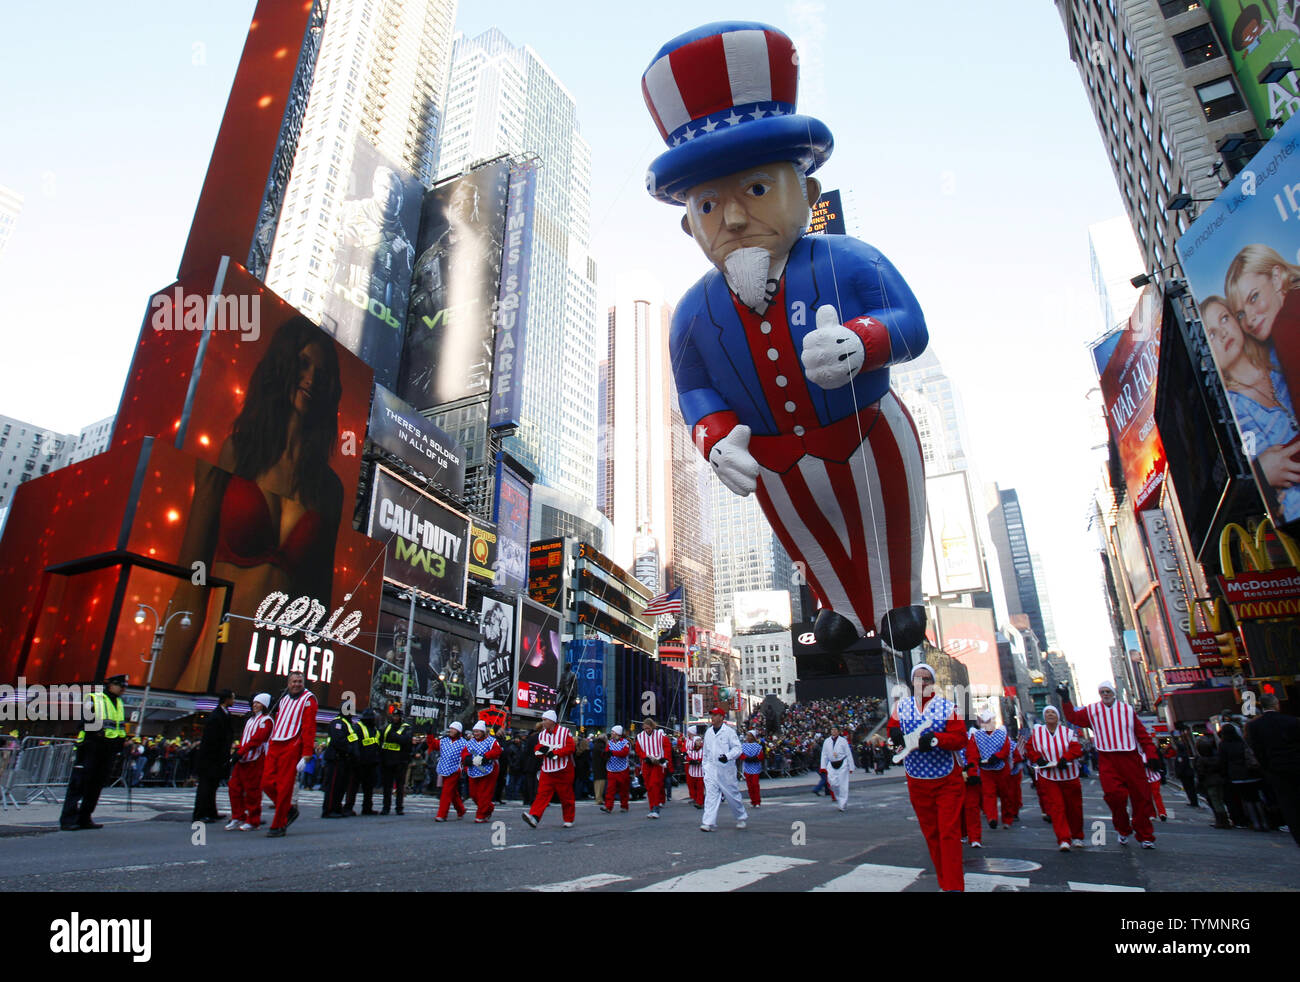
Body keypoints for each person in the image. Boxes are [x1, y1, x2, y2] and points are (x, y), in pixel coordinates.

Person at [645, 21, 929, 658]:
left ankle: (899, 599)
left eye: (755, 188)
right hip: (775, 459)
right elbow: (694, 389)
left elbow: (909, 323)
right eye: (710, 205)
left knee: (886, 515)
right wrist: (716, 440)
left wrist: (863, 340)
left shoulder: (847, 259)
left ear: (807, 191)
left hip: (866, 427)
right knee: (805, 532)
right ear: (690, 227)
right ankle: (841, 607)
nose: (736, 218)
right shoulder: (692, 313)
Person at [1201, 294, 1300, 519]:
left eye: (1224, 319)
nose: (1223, 332)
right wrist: (1262, 474)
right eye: (1212, 334)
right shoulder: (1231, 410)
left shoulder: (1277, 354)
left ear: (1237, 320)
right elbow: (1256, 465)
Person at [887, 663, 968, 892]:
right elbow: (893, 731)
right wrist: (894, 734)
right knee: (932, 835)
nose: (921, 683)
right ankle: (945, 882)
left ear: (933, 683)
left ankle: (954, 886)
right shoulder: (900, 707)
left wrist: (936, 739)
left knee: (949, 833)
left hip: (947, 780)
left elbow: (960, 738)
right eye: (917, 679)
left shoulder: (947, 707)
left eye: (926, 679)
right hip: (917, 779)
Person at [1059, 680, 1158, 848]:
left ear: (1114, 693)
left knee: (1141, 798)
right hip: (1107, 758)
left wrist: (1152, 756)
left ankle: (1145, 835)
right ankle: (1123, 828)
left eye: (1108, 691)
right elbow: (1073, 717)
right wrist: (1066, 699)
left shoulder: (1127, 710)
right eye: (1102, 692)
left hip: (1130, 757)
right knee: (1114, 796)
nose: (1105, 694)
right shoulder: (1093, 710)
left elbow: (1142, 735)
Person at [61, 673, 128, 831]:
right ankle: (68, 819)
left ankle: (85, 817)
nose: (123, 689)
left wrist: (120, 744)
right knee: (79, 784)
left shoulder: (119, 702)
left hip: (108, 750)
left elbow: (118, 727)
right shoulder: (94, 698)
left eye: (124, 687)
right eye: (121, 686)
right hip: (90, 747)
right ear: (110, 684)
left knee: (96, 785)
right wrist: (100, 736)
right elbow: (86, 723)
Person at [262, 671, 317, 838]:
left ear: (303, 683)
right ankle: (289, 810)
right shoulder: (283, 699)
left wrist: (306, 753)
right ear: (288, 683)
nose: (296, 684)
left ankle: (278, 824)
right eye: (294, 681)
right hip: (276, 743)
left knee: (285, 787)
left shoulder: (309, 699)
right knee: (266, 782)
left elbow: (309, 728)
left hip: (291, 745)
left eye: (300, 681)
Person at [1025, 704, 1084, 851]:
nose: (1050, 714)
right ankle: (1063, 839)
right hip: (1048, 775)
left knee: (1074, 807)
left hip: (1068, 774)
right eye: (1047, 713)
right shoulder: (1037, 734)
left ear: (1058, 716)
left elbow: (1076, 749)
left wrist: (1066, 758)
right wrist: (1038, 759)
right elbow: (1030, 749)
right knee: (1057, 807)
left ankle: (1077, 835)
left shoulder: (1068, 733)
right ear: (1044, 717)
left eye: (1053, 712)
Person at [1245, 693, 1300, 846]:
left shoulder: (1254, 726)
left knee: (1288, 803)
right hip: (1296, 765)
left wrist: (1267, 767)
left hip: (1275, 769)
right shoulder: (1292, 721)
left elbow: (1257, 750)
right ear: (1276, 704)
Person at [227, 692, 273, 831]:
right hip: (243, 758)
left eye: (258, 703)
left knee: (252, 791)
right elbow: (246, 739)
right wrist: (238, 752)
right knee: (234, 788)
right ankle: (237, 816)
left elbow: (258, 739)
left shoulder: (267, 721)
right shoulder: (250, 720)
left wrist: (240, 752)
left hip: (255, 759)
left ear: (264, 705)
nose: (255, 705)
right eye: (254, 702)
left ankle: (253, 820)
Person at [523, 710, 576, 828]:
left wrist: (556, 753)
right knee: (542, 794)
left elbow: (571, 747)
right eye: (542, 720)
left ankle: (568, 818)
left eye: (545, 720)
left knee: (566, 795)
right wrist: (543, 751)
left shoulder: (565, 732)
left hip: (563, 769)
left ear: (552, 721)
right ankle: (534, 817)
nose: (543, 722)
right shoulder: (542, 734)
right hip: (547, 768)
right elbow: (538, 746)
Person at [700, 707, 748, 832]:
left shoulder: (729, 732)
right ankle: (708, 822)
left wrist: (727, 757)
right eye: (712, 715)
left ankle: (741, 817)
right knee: (711, 795)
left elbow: (737, 749)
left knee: (732, 795)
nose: (713, 718)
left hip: (726, 769)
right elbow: (705, 751)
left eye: (715, 715)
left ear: (721, 717)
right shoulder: (709, 732)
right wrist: (705, 766)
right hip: (711, 768)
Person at [192, 688, 236, 823]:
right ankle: (200, 814)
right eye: (232, 698)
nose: (234, 701)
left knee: (213, 786)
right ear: (227, 699)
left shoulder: (224, 714)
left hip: (217, 759)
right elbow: (211, 740)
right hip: (210, 758)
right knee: (205, 787)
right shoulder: (216, 716)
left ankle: (211, 812)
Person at [1218, 722, 1267, 831]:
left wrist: (1225, 775)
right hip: (1252, 774)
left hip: (1237, 776)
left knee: (1245, 799)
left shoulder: (1224, 745)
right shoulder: (1242, 742)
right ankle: (1263, 821)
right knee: (1256, 798)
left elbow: (1223, 762)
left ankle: (1254, 822)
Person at [971, 709, 1013, 829]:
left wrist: (997, 756)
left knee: (1006, 795)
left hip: (1001, 769)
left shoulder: (1002, 734)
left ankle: (1007, 818)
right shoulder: (977, 735)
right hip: (986, 770)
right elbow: (973, 750)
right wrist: (977, 759)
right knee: (988, 794)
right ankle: (992, 817)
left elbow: (1006, 749)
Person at [320, 705, 359, 818]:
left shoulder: (348, 724)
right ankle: (328, 810)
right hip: (336, 758)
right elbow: (339, 741)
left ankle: (336, 807)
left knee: (340, 786)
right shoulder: (338, 722)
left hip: (344, 759)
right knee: (333, 785)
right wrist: (350, 749)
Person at [463, 720, 503, 823]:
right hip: (474, 769)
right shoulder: (470, 742)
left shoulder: (491, 741)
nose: (476, 734)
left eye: (478, 731)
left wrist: (485, 757)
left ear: (483, 732)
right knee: (474, 794)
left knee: (484, 793)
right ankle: (488, 808)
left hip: (488, 770)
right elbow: (465, 753)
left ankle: (481, 814)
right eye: (474, 731)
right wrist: (467, 759)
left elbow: (497, 751)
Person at [344, 707, 381, 816]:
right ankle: (348, 807)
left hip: (370, 763)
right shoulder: (357, 728)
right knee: (353, 786)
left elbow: (377, 745)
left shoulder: (374, 730)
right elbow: (354, 744)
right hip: (358, 763)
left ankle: (367, 808)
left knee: (368, 787)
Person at [430, 721, 469, 822]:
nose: (451, 730)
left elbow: (467, 755)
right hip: (443, 768)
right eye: (450, 728)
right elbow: (434, 745)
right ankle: (461, 810)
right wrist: (429, 735)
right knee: (453, 792)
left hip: (454, 770)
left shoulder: (464, 743)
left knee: (446, 792)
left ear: (458, 731)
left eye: (453, 729)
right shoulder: (444, 741)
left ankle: (442, 814)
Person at [635, 717, 672, 818]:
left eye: (649, 728)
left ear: (652, 726)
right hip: (647, 763)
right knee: (649, 786)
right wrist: (644, 757)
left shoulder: (660, 735)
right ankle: (652, 807)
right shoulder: (640, 737)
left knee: (654, 784)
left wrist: (665, 758)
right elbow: (638, 749)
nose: (647, 730)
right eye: (645, 728)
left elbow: (667, 747)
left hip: (657, 763)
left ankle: (656, 807)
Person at [379, 708, 413, 815]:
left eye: (397, 716)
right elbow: (381, 739)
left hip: (400, 761)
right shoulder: (388, 727)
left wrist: (393, 736)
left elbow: (405, 740)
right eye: (394, 716)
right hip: (387, 760)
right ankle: (386, 807)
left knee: (399, 786)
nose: (395, 718)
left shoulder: (406, 728)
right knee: (387, 786)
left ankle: (399, 807)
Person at [1195, 734, 1232, 829]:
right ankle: (1225, 820)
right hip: (1219, 781)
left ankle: (1221, 821)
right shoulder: (1216, 758)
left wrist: (1200, 782)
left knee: (1215, 801)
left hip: (1209, 782)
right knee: (1220, 800)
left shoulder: (1201, 760)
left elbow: (1200, 773)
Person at [820, 725, 853, 812]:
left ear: (838, 731)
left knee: (843, 785)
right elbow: (824, 754)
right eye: (832, 730)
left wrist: (851, 766)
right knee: (833, 783)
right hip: (831, 763)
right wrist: (823, 766)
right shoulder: (827, 741)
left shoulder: (843, 741)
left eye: (835, 730)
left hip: (842, 763)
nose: (833, 731)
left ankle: (842, 803)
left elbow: (848, 753)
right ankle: (839, 799)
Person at [601, 725, 632, 814]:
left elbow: (624, 753)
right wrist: (604, 755)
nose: (612, 733)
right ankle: (608, 806)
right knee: (610, 789)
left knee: (623, 789)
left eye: (613, 732)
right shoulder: (610, 743)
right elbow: (607, 752)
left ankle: (624, 806)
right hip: (611, 769)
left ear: (618, 733)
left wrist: (612, 753)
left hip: (622, 769)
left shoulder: (625, 742)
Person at [740, 731, 766, 807]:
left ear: (753, 737)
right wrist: (746, 758)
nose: (748, 737)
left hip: (755, 767)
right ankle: (753, 801)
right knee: (750, 786)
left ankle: (757, 801)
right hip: (747, 767)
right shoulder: (743, 746)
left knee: (755, 785)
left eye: (749, 736)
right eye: (747, 735)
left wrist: (755, 758)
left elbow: (761, 756)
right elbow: (741, 755)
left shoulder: (758, 746)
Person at [684, 726, 705, 808]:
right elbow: (687, 756)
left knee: (700, 787)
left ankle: (700, 802)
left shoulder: (703, 750)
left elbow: (705, 757)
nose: (699, 742)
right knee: (693, 785)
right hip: (692, 771)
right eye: (697, 741)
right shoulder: (690, 750)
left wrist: (699, 761)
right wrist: (690, 760)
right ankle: (696, 798)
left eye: (700, 741)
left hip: (700, 772)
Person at [591, 731, 608, 807]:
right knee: (601, 782)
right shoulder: (601, 746)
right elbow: (604, 755)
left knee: (597, 783)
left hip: (596, 766)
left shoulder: (596, 744)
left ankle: (598, 798)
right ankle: (599, 798)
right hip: (601, 766)